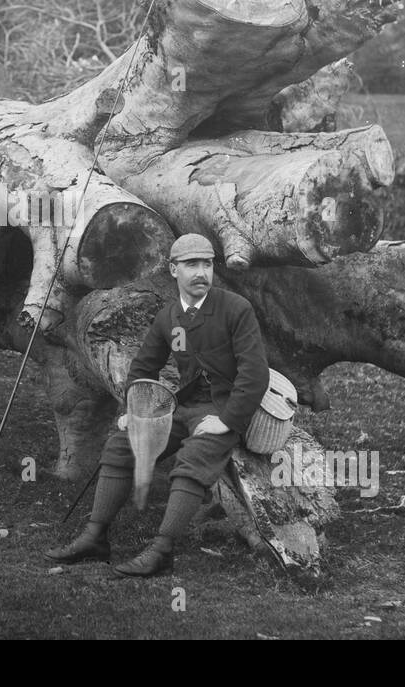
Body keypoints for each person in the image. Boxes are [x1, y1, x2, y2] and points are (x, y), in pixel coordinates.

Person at [46, 233, 271, 577]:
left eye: (207, 264)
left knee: (192, 459)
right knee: (122, 446)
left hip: (226, 409)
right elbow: (142, 368)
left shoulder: (235, 309)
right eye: (191, 264)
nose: (201, 273)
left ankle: (162, 550)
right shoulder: (170, 317)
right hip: (183, 406)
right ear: (172, 269)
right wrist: (133, 410)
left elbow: (255, 374)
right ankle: (95, 536)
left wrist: (227, 421)